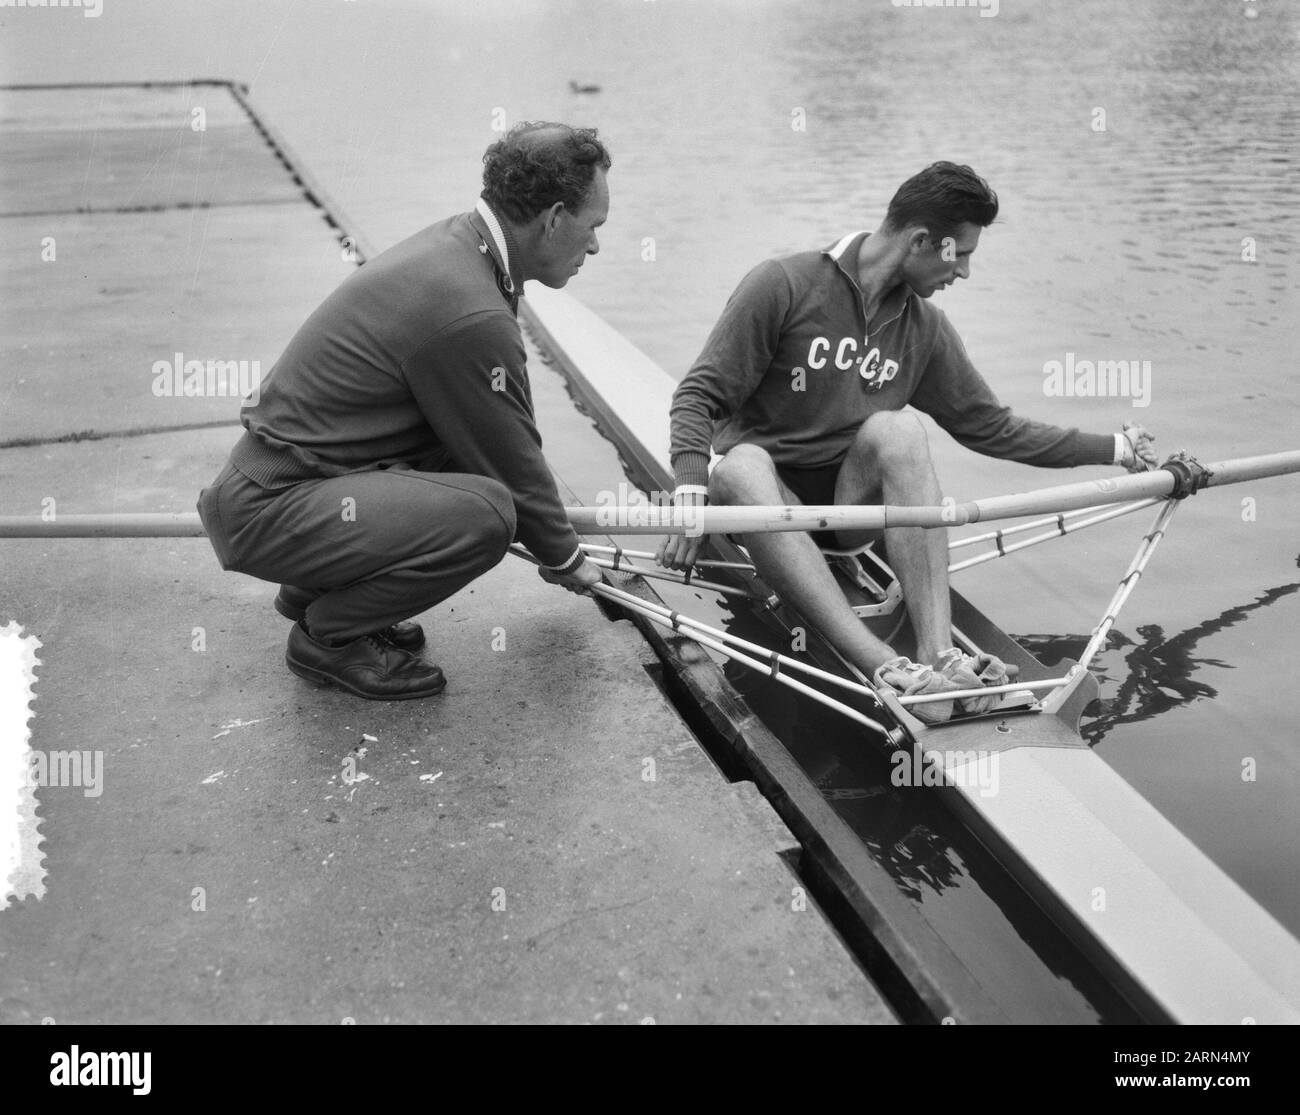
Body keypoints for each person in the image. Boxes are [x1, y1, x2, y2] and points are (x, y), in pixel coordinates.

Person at [658, 162, 1155, 724]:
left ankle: (940, 657)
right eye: (958, 253)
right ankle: (883, 665)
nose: (964, 272)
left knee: (900, 428)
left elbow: (990, 426)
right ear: (921, 241)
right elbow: (698, 396)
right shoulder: (783, 284)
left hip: (848, 511)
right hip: (766, 504)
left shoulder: (925, 329)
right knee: (740, 463)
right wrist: (688, 495)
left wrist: (1115, 449)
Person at [197, 122, 609, 700]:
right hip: (270, 507)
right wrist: (566, 559)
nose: (595, 246)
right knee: (488, 515)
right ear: (554, 218)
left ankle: (317, 589)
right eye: (593, 228)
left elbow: (492, 430)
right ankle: (329, 636)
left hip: (290, 489)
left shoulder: (461, 245)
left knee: (456, 449)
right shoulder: (470, 307)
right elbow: (511, 462)